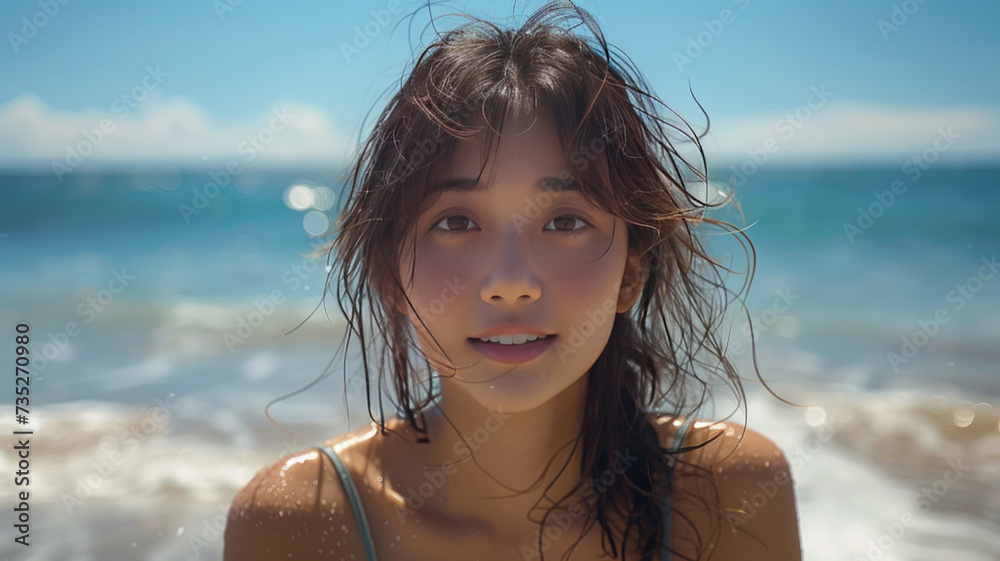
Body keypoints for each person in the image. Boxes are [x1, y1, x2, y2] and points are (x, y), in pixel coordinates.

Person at [224, 2, 802, 560]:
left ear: (631, 273)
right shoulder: (300, 519)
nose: (510, 284)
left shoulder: (728, 496)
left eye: (566, 221)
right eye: (456, 222)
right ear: (388, 275)